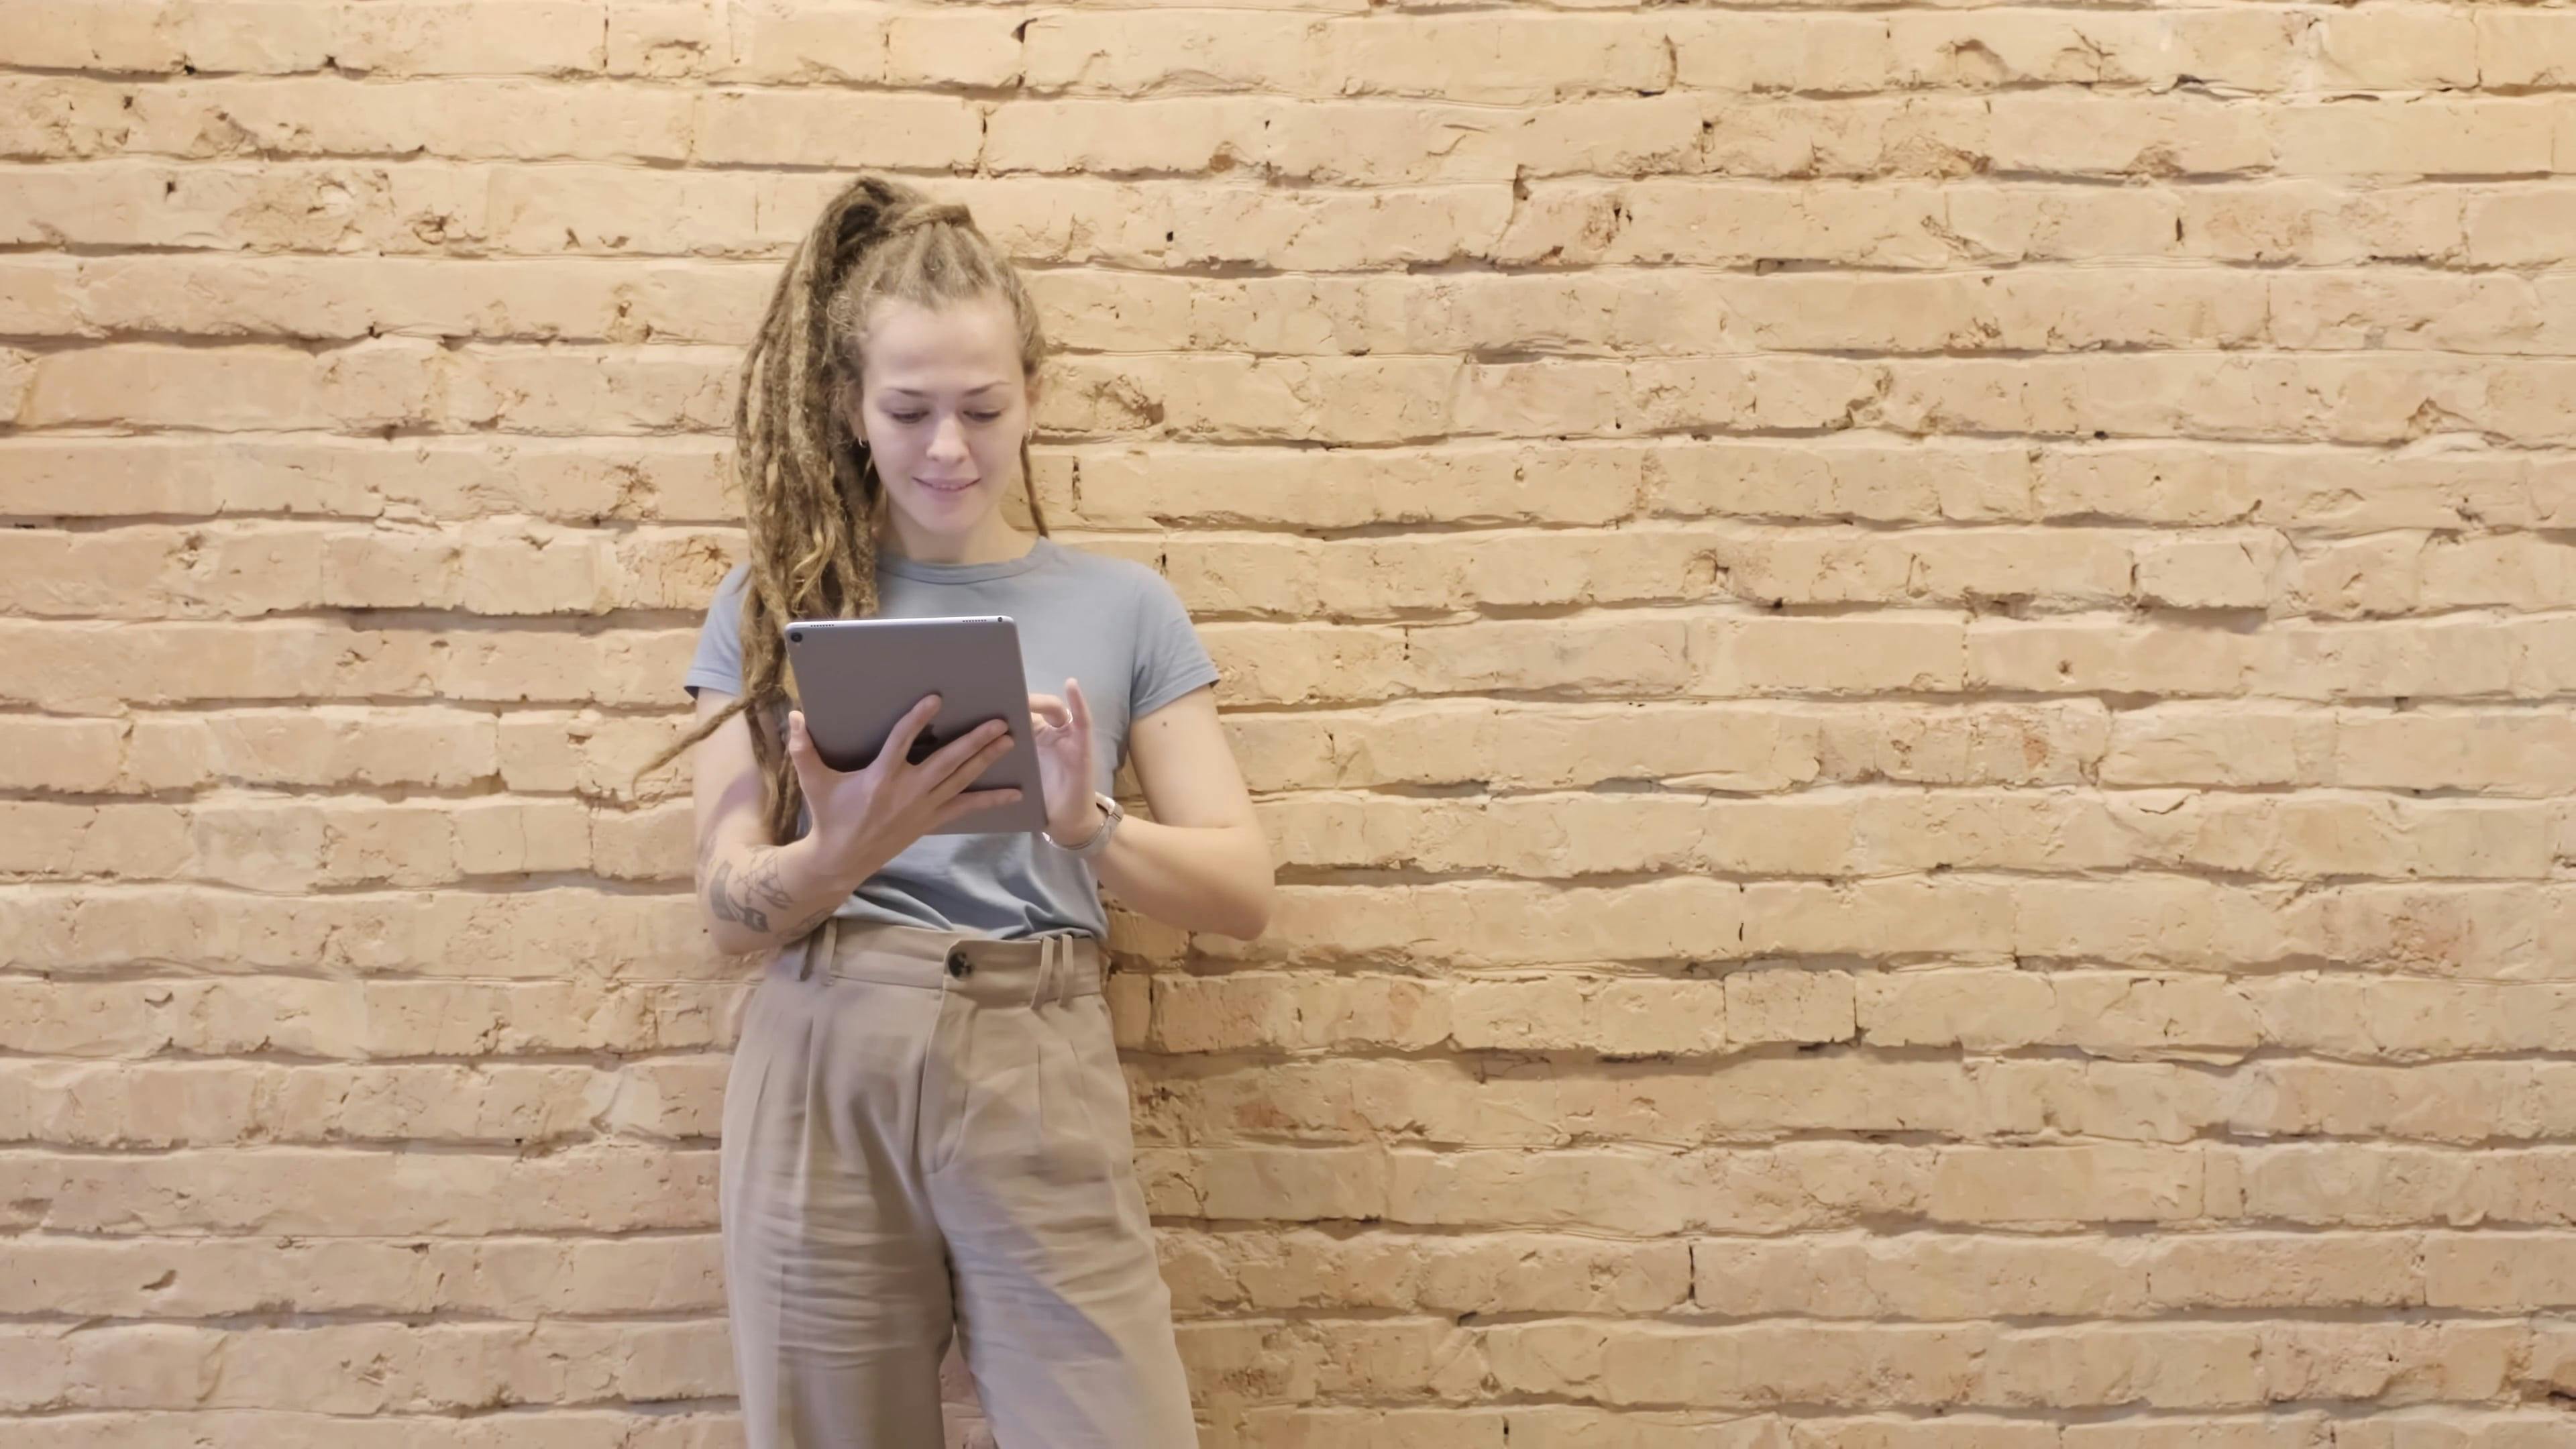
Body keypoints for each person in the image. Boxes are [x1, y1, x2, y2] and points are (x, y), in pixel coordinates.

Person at [644, 173, 1274, 1449]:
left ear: (1033, 394)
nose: (948, 448)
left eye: (984, 409)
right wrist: (831, 857)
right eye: (909, 409)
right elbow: (724, 902)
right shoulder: (774, 600)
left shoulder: (1124, 606)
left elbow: (1244, 892)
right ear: (846, 406)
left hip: (1036, 1046)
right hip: (827, 1045)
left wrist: (1086, 824)